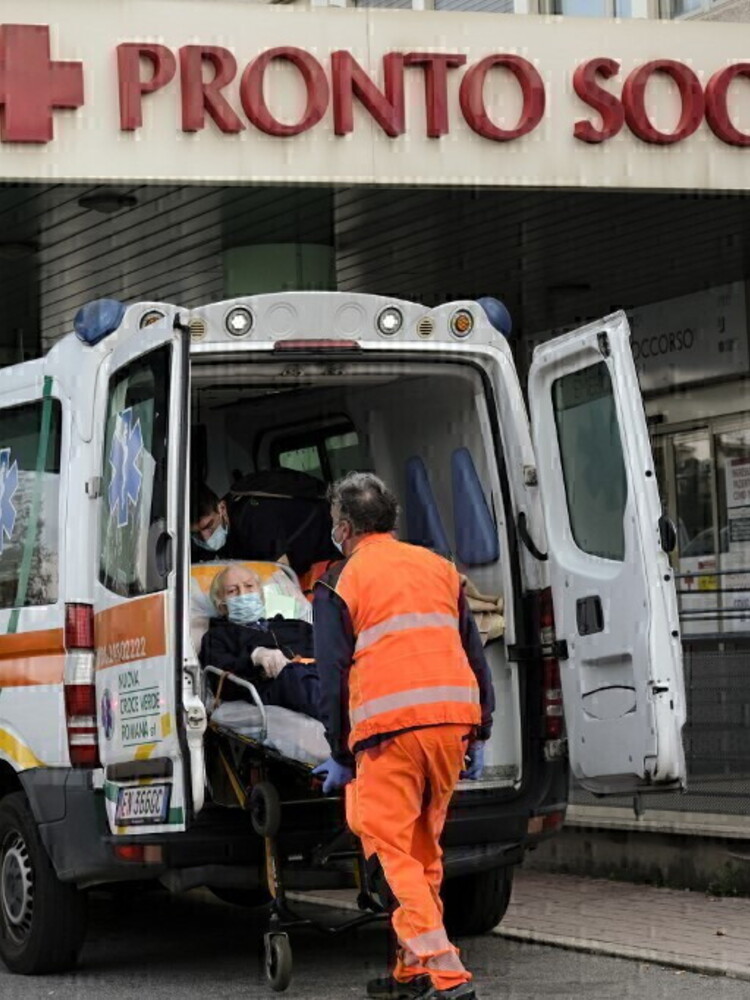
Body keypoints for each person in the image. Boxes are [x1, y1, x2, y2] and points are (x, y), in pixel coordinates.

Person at [311, 473, 494, 1000]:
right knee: (421, 850)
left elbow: (332, 674)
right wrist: (481, 729)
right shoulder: (438, 568)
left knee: (390, 853)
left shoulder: (338, 581)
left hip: (389, 733)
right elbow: (472, 650)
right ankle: (412, 969)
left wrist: (340, 751)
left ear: (345, 528)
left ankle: (446, 973)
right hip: (451, 724)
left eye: (333, 522)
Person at [200, 565, 320, 719]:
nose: (243, 594)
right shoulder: (217, 637)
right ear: (221, 603)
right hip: (275, 685)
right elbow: (220, 680)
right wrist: (253, 657)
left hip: (319, 674)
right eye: (232, 591)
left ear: (260, 593)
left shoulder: (296, 626)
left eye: (249, 586)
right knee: (294, 675)